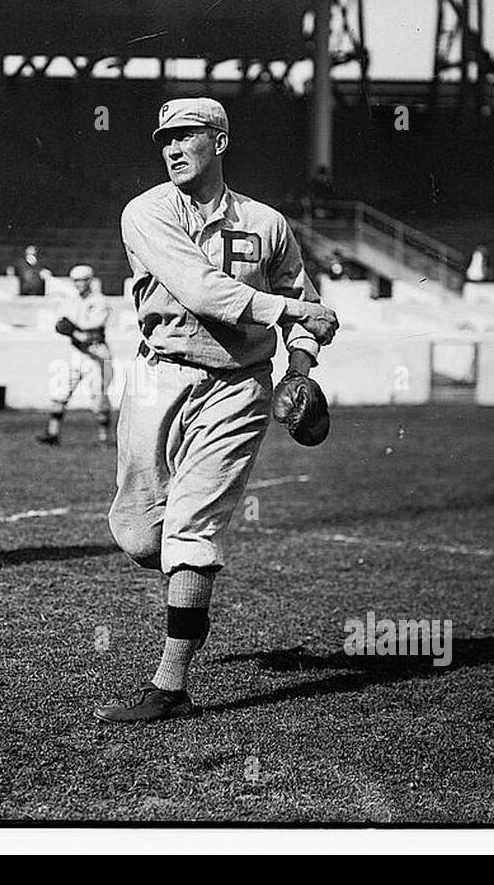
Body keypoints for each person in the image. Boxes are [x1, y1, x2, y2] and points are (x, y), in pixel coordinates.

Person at [96, 98, 339, 724]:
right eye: (165, 139)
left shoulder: (269, 223)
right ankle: (184, 591)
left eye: (187, 136)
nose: (173, 148)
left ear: (220, 142)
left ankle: (170, 682)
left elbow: (300, 298)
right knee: (139, 534)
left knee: (191, 529)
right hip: (158, 376)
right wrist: (296, 316)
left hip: (239, 386)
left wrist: (301, 371)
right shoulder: (146, 211)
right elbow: (204, 290)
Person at [38, 264, 112, 446]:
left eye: (82, 280)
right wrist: (74, 331)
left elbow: (90, 330)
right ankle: (53, 434)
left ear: (90, 281)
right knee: (60, 392)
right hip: (76, 353)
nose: (79, 284)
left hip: (96, 354)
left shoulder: (100, 300)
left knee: (98, 400)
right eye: (76, 281)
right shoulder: (71, 299)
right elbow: (60, 324)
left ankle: (104, 438)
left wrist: (72, 329)